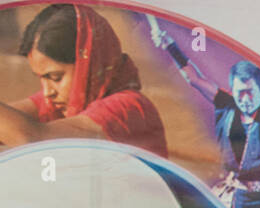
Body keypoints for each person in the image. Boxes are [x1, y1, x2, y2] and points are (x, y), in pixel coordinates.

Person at [151, 22, 260, 208]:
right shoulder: (227, 104)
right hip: (234, 199)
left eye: (250, 91)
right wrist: (170, 46)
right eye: (240, 93)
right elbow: (194, 79)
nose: (246, 99)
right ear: (233, 89)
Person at [0, 4, 167, 156]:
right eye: (41, 78)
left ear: (88, 64)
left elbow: (34, 139)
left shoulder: (129, 109)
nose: (47, 92)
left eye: (56, 78)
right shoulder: (61, 102)